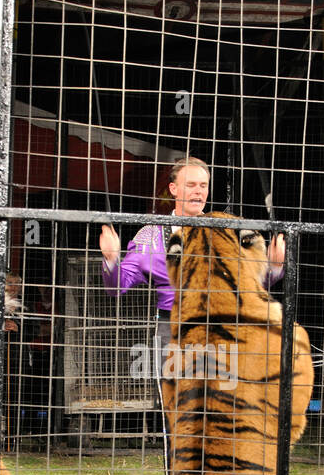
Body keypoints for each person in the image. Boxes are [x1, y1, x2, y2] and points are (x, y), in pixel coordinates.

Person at [98, 157, 286, 369]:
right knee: (175, 402)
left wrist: (275, 266)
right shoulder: (151, 235)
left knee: (220, 401)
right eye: (191, 185)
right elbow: (116, 287)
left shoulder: (227, 231)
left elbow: (253, 285)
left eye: (203, 186)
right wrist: (112, 259)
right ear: (173, 189)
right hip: (173, 331)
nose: (198, 191)